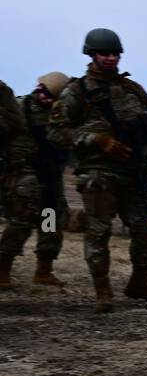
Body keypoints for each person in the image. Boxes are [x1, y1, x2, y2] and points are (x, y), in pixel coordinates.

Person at [48, 28, 147, 312]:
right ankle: (102, 291)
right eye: (105, 53)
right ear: (92, 55)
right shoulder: (76, 92)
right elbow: (56, 132)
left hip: (136, 174)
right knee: (98, 232)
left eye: (115, 53)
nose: (110, 58)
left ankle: (140, 282)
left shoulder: (134, 90)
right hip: (99, 174)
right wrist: (97, 139)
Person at [0, 73, 71, 289]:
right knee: (21, 221)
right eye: (45, 93)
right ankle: (3, 269)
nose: (47, 99)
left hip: (49, 178)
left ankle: (44, 270)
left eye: (53, 97)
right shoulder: (20, 109)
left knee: (50, 222)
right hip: (23, 175)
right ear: (39, 87)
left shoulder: (61, 117)